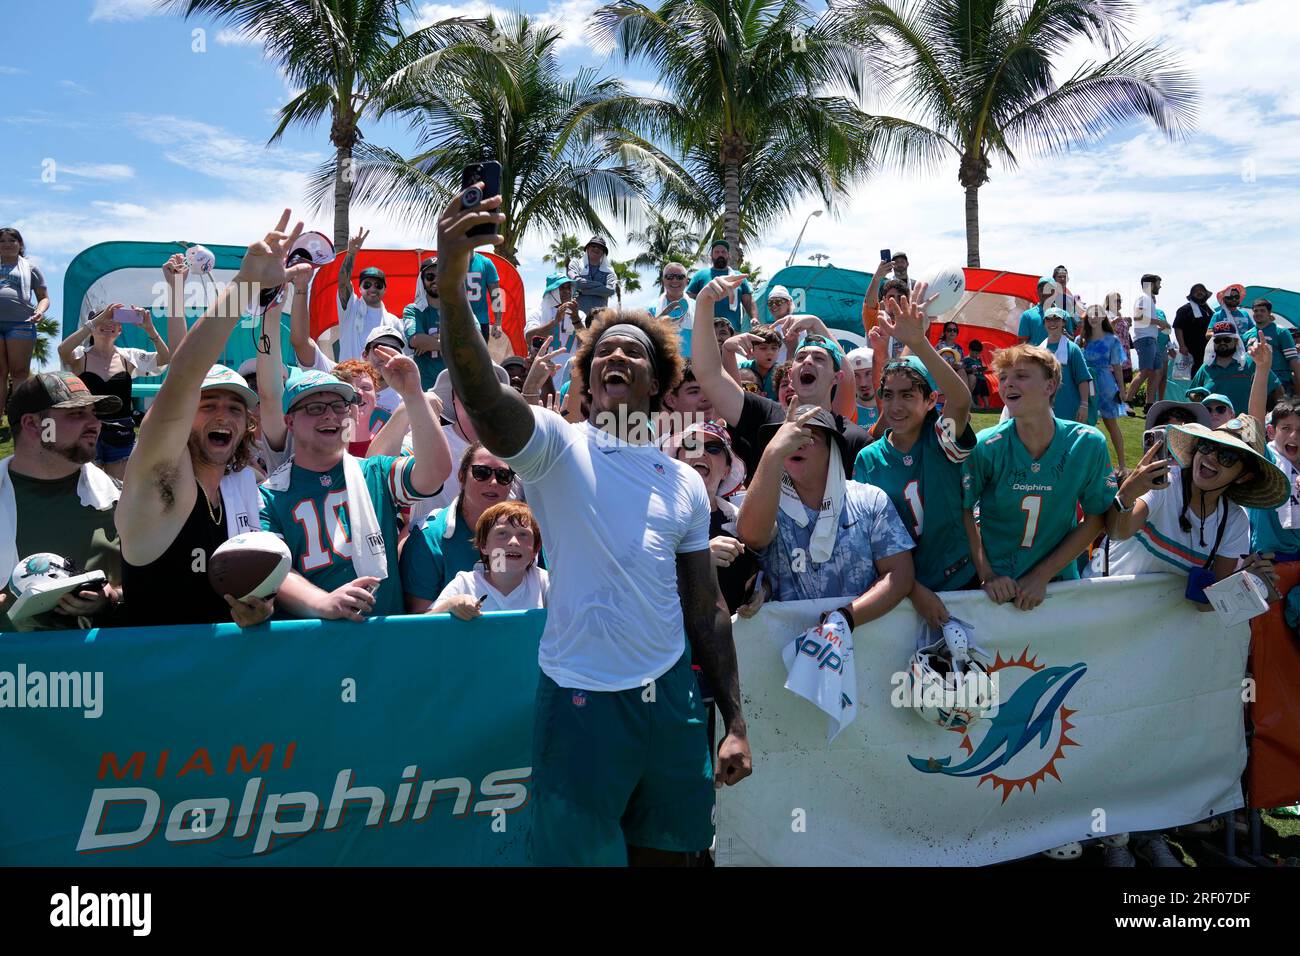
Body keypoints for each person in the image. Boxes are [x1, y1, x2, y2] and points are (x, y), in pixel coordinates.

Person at [436, 185, 750, 866]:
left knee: (673, 858)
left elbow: (708, 611)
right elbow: (485, 398)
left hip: (669, 698)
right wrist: (453, 283)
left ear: (657, 379)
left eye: (632, 351)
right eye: (603, 351)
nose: (615, 357)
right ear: (586, 374)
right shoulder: (556, 445)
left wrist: (736, 723)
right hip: (579, 700)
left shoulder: (684, 484)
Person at [115, 212, 304, 630]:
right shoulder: (159, 486)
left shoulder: (237, 495)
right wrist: (245, 285)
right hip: (153, 684)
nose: (224, 415)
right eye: (209, 403)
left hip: (224, 685)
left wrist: (258, 611)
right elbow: (180, 378)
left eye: (236, 408)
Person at [261, 360, 450, 620]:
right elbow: (273, 566)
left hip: (381, 640)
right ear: (289, 421)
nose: (330, 415)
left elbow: (435, 473)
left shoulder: (376, 472)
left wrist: (413, 395)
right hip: (310, 645)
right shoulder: (270, 495)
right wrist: (322, 602)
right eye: (315, 408)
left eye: (339, 406)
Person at [853, 287, 976, 627]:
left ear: (930, 400)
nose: (896, 405)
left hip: (961, 582)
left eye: (908, 395)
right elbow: (869, 540)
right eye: (888, 395)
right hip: (899, 592)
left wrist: (920, 342)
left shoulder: (941, 440)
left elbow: (962, 401)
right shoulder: (868, 459)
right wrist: (913, 589)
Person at [962, 344, 1116, 610]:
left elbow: (1096, 518)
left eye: (1021, 375)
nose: (1008, 383)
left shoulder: (1087, 443)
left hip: (1058, 582)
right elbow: (963, 510)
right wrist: (987, 574)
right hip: (998, 585)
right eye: (1003, 377)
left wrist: (1041, 575)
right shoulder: (986, 445)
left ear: (1050, 386)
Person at [735, 400, 915, 622]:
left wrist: (847, 617)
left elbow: (900, 575)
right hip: (784, 647)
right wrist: (772, 452)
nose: (796, 445)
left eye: (808, 437)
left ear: (833, 450)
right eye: (788, 438)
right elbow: (752, 535)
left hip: (864, 641)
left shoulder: (870, 501)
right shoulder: (768, 503)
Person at [693, 274, 869, 480]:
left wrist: (816, 323)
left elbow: (848, 373)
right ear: (791, 375)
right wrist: (704, 302)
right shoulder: (764, 417)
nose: (808, 361)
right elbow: (709, 375)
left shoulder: (854, 439)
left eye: (819, 358)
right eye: (801, 356)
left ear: (836, 378)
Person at [1094, 414, 1283, 589]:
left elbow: (1208, 600)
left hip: (1158, 622)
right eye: (1208, 445)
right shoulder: (1164, 484)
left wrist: (1245, 580)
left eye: (1228, 456)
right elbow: (1118, 532)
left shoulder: (1234, 521)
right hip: (1106, 602)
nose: (1211, 456)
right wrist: (1127, 494)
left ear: (1244, 476)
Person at [1, 372, 125, 631]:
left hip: (95, 667)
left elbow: (155, 585)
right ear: (33, 425)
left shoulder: (121, 501)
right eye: (76, 414)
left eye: (94, 413)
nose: (95, 424)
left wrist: (111, 597)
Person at [57, 303, 172, 479]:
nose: (108, 322)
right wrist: (97, 321)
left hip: (121, 435)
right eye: (102, 318)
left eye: (114, 320)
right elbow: (63, 350)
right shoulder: (80, 356)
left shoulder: (129, 357)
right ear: (92, 326)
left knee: (120, 492)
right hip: (86, 432)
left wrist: (150, 329)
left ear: (120, 329)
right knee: (88, 489)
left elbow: (164, 358)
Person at [400, 442, 518, 613]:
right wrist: (450, 607)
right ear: (462, 476)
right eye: (481, 473)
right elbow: (418, 622)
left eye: (503, 475)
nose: (493, 482)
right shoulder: (429, 537)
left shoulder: (527, 533)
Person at [661, 422, 761, 615]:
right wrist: (700, 559)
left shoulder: (742, 522)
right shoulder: (655, 518)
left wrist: (761, 589)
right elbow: (641, 575)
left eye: (714, 448)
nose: (702, 453)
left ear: (726, 470)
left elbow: (767, 573)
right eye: (692, 445)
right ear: (676, 460)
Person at [431, 500, 549, 617]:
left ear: (536, 549)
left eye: (523, 534)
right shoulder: (465, 584)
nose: (513, 542)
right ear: (483, 545)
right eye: (502, 533)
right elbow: (424, 627)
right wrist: (450, 605)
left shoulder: (545, 583)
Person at [0, 227, 49, 437]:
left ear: (20, 244)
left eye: (12, 240)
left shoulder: (30, 268)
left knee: (19, 373)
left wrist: (39, 311)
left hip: (21, 324)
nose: (7, 244)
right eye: (2, 240)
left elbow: (44, 297)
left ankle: (18, 420)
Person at [335, 227, 405, 363]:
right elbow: (342, 283)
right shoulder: (351, 308)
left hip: (380, 381)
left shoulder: (393, 322)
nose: (372, 288)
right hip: (350, 378)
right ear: (359, 288)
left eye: (378, 285)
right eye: (367, 285)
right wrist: (351, 253)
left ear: (385, 290)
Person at [1190, 322, 1281, 416]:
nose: (1222, 343)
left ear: (1236, 341)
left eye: (1227, 339)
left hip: (1246, 427)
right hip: (1214, 427)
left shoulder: (1251, 362)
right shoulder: (1206, 367)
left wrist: (1274, 417)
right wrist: (1197, 397)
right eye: (1217, 340)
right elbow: (1192, 393)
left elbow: (1277, 390)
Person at [1250, 399, 1300, 562]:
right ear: (1271, 432)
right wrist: (1261, 372)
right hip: (1264, 563)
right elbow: (1254, 421)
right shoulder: (1266, 460)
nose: (1294, 436)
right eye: (1286, 428)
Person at [1080, 305, 1127, 472]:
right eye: (1090, 315)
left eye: (1097, 315)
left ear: (1103, 318)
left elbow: (1117, 366)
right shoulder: (1081, 340)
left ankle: (1122, 465)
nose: (1093, 318)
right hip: (1086, 385)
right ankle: (1086, 466)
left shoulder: (1112, 340)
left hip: (1106, 386)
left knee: (1111, 424)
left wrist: (1122, 390)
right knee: (1085, 425)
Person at [1124, 274, 1171, 414]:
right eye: (1158, 283)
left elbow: (1144, 321)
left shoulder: (1149, 299)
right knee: (1146, 371)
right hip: (1144, 339)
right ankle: (1127, 401)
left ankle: (1149, 405)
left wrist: (1158, 327)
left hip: (1151, 338)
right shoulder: (1143, 298)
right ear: (1150, 284)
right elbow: (1138, 317)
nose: (1160, 286)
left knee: (1157, 372)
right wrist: (1160, 322)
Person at [687, 239, 755, 332]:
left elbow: (748, 301)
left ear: (729, 255)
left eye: (723, 252)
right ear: (711, 256)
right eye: (717, 252)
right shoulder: (700, 275)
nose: (720, 254)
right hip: (705, 331)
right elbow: (689, 300)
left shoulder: (738, 276)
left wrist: (754, 318)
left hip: (733, 331)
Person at [1038, 308, 1092, 424]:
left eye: (1056, 319)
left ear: (1063, 322)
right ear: (1044, 323)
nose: (1052, 323)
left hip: (1070, 411)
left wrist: (1084, 405)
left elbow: (1083, 379)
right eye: (1048, 320)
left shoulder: (1073, 349)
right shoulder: (1038, 351)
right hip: (1044, 411)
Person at [403, 255, 445, 391]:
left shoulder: (461, 310)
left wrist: (429, 343)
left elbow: (472, 341)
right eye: (430, 277)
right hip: (424, 388)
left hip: (455, 388)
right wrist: (454, 344)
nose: (436, 280)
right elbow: (416, 340)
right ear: (422, 280)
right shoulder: (413, 310)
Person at [1244, 299, 1300, 395]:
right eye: (1256, 311)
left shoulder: (1281, 331)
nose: (1258, 313)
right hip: (1255, 381)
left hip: (1281, 381)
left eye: (1262, 310)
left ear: (1269, 313)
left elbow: (1293, 360)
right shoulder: (1246, 335)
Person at [728, 324, 783, 400]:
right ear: (752, 350)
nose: (770, 352)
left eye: (774, 348)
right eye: (763, 348)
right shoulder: (741, 368)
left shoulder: (781, 373)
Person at [648, 263, 693, 349]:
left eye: (680, 277)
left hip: (695, 360)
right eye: (669, 277)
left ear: (687, 280)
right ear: (663, 281)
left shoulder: (698, 307)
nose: (675, 280)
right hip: (665, 360)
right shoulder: (651, 310)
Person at [1174, 283, 1213, 374]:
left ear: (1206, 294)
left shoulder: (1210, 310)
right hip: (1191, 350)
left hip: (1208, 349)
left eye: (1201, 291)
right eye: (1196, 291)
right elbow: (1178, 327)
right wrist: (1182, 345)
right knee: (1193, 375)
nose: (1199, 292)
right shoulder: (1184, 309)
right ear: (1191, 295)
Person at [573, 236, 617, 317]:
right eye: (593, 246)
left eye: (600, 248)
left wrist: (584, 291)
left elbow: (610, 290)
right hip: (577, 317)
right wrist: (600, 286)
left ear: (603, 253)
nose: (596, 249)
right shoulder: (576, 263)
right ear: (587, 248)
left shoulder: (610, 271)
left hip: (600, 318)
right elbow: (575, 282)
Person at [1018, 276, 1070, 345]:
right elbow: (1022, 345)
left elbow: (1072, 341)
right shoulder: (1027, 315)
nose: (1045, 292)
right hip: (1036, 355)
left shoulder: (1064, 315)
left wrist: (1066, 335)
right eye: (1041, 289)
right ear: (1037, 292)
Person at [845, 347, 879, 428]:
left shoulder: (893, 408)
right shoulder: (845, 413)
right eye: (855, 375)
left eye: (869, 374)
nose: (863, 383)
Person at [962, 340, 991, 410]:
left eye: (978, 353)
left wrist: (983, 369)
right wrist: (971, 370)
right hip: (975, 379)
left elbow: (980, 367)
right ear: (970, 350)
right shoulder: (966, 360)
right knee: (976, 393)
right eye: (975, 353)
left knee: (985, 392)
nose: (976, 355)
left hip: (982, 378)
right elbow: (963, 370)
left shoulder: (979, 360)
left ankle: (987, 406)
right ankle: (976, 404)